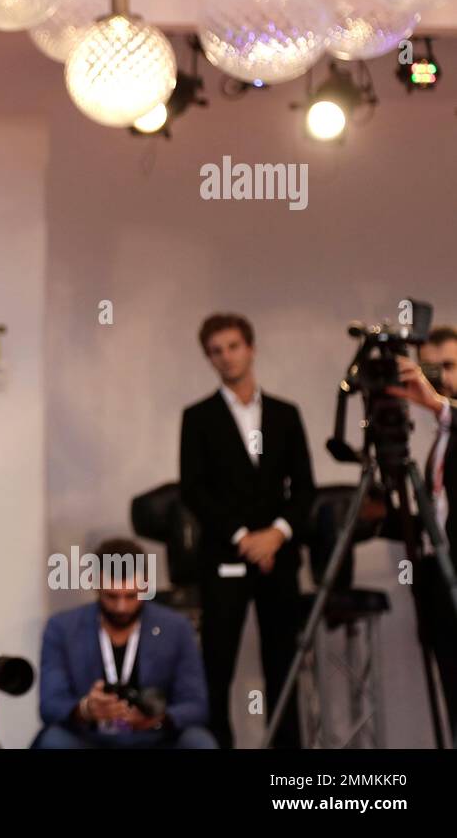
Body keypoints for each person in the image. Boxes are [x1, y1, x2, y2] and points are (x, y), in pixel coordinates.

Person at [180, 313, 313, 748]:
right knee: (217, 665)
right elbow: (195, 491)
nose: (226, 357)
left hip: (279, 555)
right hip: (225, 555)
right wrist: (243, 537)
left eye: (233, 346)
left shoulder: (285, 414)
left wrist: (276, 534)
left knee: (284, 663)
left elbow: (305, 487)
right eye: (216, 351)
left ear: (250, 348)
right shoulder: (198, 417)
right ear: (207, 358)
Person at [35, 537, 215, 749]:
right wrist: (86, 709)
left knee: (198, 741)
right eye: (111, 596)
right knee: (53, 741)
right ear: (95, 583)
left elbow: (196, 704)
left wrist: (158, 718)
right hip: (89, 737)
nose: (121, 607)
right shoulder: (62, 628)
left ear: (145, 584)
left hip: (155, 737)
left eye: (131, 596)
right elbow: (50, 705)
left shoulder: (176, 628)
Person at [387, 329, 457, 738]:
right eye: (432, 369)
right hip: (439, 587)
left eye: (449, 366)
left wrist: (437, 405)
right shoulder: (440, 439)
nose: (441, 378)